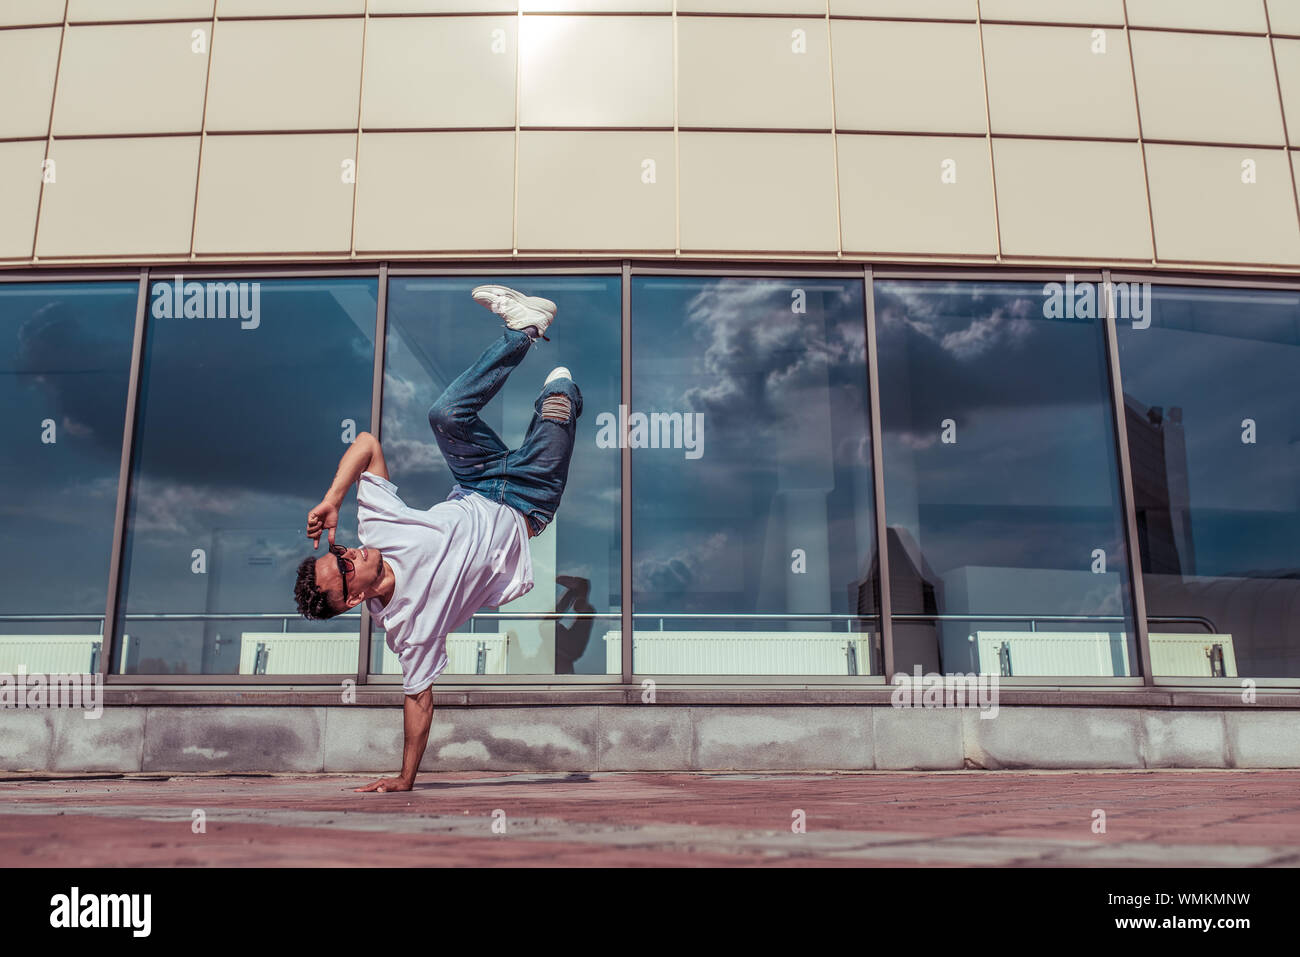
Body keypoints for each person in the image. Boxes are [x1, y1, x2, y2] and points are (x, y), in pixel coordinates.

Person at [292, 285, 582, 793]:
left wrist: (334, 497)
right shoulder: (409, 630)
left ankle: (524, 330)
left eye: (336, 553)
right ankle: (556, 399)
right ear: (355, 596)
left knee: (444, 416)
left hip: (480, 479)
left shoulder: (377, 527)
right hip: (527, 502)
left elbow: (366, 443)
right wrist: (406, 779)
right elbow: (418, 701)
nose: (347, 552)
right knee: (560, 400)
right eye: (342, 568)